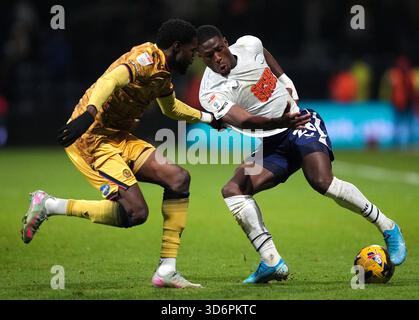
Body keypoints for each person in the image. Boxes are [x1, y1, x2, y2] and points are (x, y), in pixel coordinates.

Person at [197, 25, 407, 284]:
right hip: (273, 141)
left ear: (226, 43)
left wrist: (284, 78)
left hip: (300, 123)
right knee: (233, 189)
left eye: (219, 50)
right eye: (208, 56)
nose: (217, 58)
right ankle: (272, 262)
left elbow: (262, 51)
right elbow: (246, 120)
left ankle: (387, 226)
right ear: (199, 57)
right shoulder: (210, 91)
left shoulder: (248, 44)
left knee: (322, 182)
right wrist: (279, 122)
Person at [20, 19, 218, 289]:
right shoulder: (145, 58)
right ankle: (50, 205)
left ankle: (167, 271)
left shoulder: (163, 73)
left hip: (120, 137)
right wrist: (89, 114)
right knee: (136, 213)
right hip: (92, 139)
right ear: (176, 47)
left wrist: (208, 118)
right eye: (192, 50)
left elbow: (170, 109)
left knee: (178, 178)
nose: (195, 56)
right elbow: (111, 80)